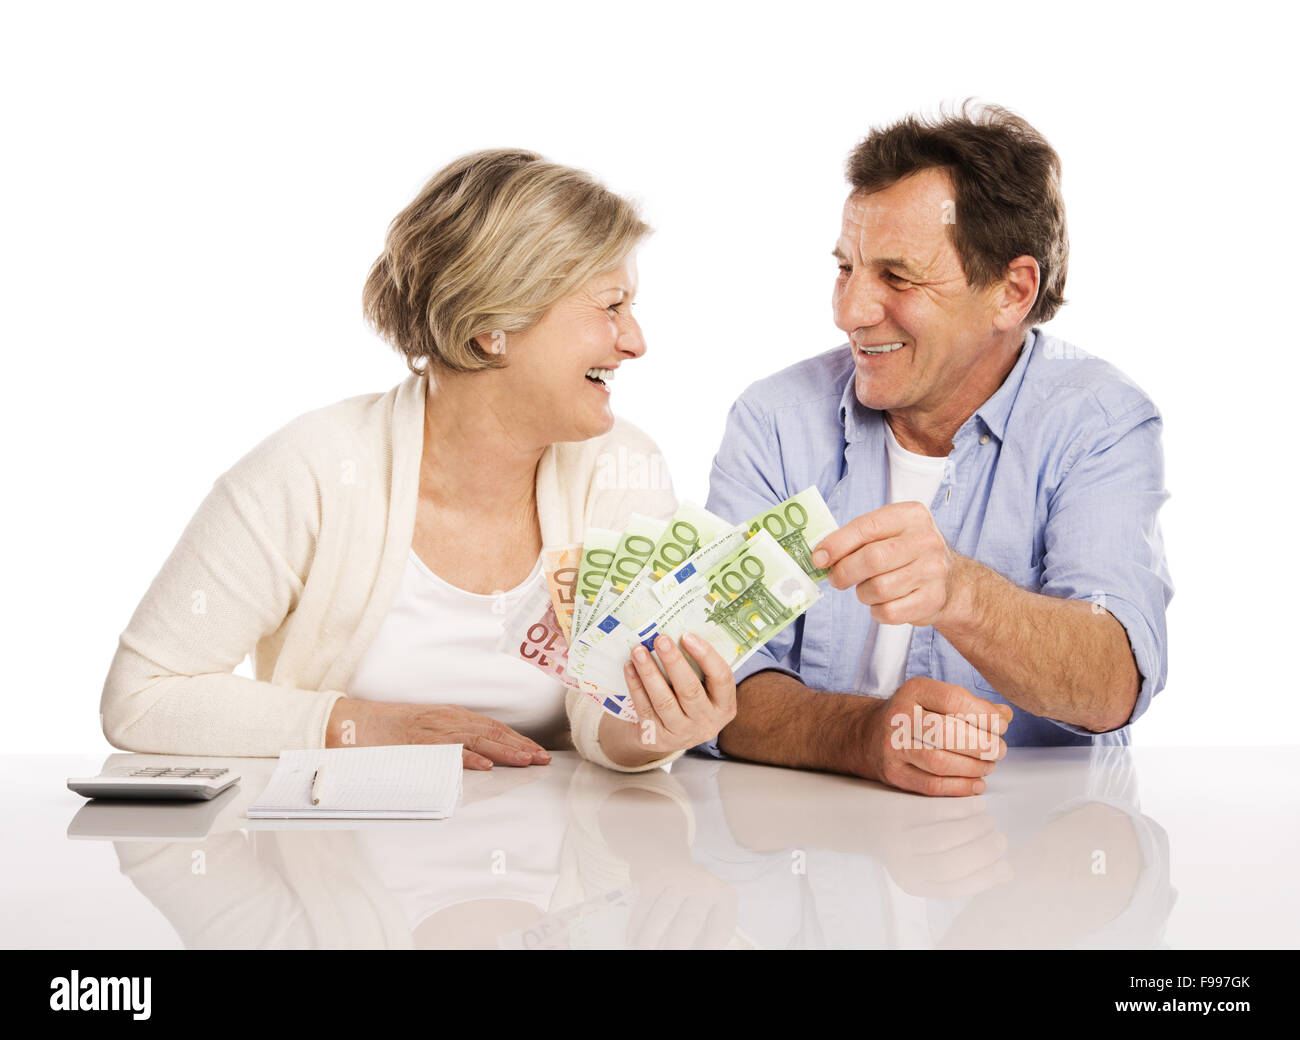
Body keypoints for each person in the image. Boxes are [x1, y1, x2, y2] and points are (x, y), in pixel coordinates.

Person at [100, 149, 737, 772]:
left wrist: (657, 729)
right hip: (334, 862)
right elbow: (143, 696)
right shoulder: (311, 471)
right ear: (495, 323)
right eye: (610, 306)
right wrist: (367, 726)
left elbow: (606, 719)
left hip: (559, 863)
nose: (635, 341)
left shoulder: (620, 467)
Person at [703, 103, 1173, 796]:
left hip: (1033, 861)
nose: (850, 310)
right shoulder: (775, 419)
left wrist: (963, 593)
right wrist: (860, 736)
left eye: (898, 277)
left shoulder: (1099, 422)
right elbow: (719, 680)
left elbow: (1112, 682)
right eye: (846, 268)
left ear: (1012, 292)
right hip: (811, 850)